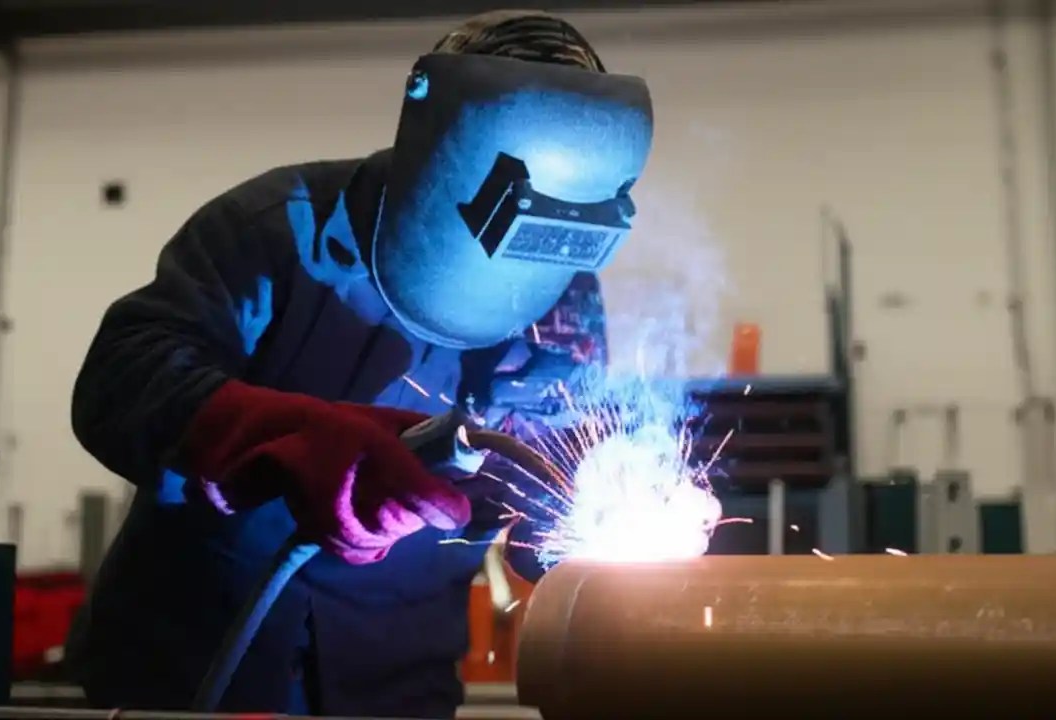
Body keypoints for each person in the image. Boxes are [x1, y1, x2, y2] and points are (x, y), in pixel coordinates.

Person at [65, 10, 653, 719]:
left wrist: (604, 503)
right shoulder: (281, 229)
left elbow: (546, 521)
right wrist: (286, 440)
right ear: (445, 146)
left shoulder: (566, 296)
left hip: (394, 692)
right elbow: (121, 377)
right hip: (189, 675)